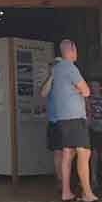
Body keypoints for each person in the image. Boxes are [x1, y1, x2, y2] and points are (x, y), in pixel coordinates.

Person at [48, 39, 102, 202]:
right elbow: (86, 91)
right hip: (75, 118)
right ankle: (88, 194)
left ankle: (66, 192)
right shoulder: (71, 68)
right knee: (84, 153)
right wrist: (81, 89)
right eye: (76, 49)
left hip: (62, 118)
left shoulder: (57, 69)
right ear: (72, 50)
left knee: (67, 153)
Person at [40, 57, 62, 186]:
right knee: (58, 152)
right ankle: (60, 180)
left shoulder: (70, 80)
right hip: (55, 122)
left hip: (69, 122)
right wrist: (51, 77)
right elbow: (43, 93)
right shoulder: (50, 82)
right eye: (52, 66)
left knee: (71, 152)